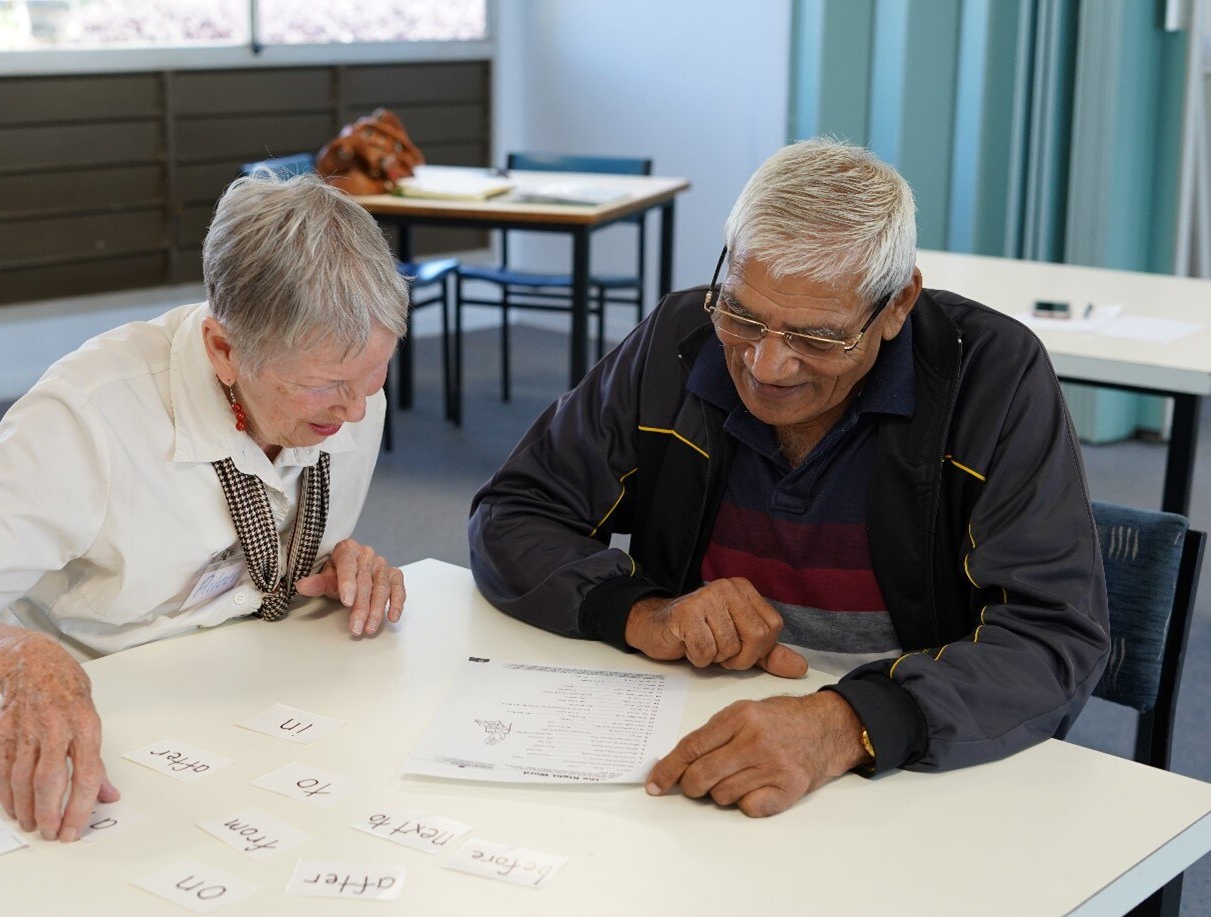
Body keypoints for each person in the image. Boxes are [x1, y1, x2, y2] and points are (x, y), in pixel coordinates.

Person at [468, 139, 1109, 817]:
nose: (767, 366)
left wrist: (843, 723)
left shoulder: (992, 377)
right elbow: (515, 511)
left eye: (817, 337)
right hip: (698, 737)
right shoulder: (679, 340)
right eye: (742, 315)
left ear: (896, 305)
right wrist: (641, 610)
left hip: (910, 763)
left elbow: (1052, 634)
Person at [0, 172, 409, 843]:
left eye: (372, 376)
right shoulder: (88, 414)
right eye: (325, 387)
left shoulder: (344, 394)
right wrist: (20, 659)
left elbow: (259, 544)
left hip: (259, 710)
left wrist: (330, 558)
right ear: (223, 351)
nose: (355, 411)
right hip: (98, 734)